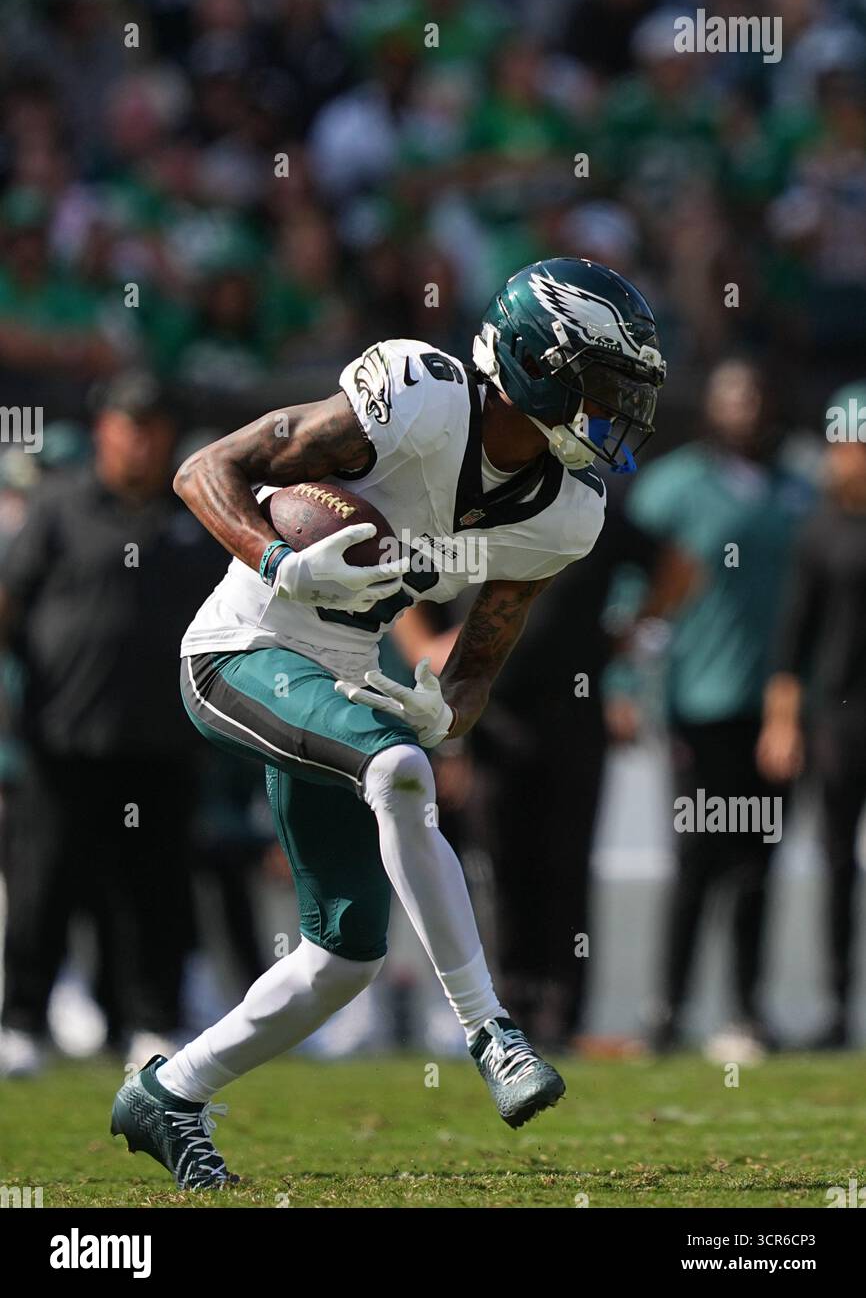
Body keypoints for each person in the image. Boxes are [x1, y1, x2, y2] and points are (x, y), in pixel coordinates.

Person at [111, 256, 667, 1190]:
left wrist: (445, 709)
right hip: (239, 648)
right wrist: (277, 561)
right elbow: (207, 470)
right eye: (601, 386)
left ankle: (169, 1092)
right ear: (535, 364)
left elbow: (479, 661)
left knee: (342, 958)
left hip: (342, 676)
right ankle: (493, 1033)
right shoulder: (417, 396)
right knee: (398, 771)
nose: (615, 414)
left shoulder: (567, 513)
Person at [0, 373, 226, 1076]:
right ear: (104, 430)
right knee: (43, 887)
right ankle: (22, 1024)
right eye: (130, 424)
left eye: (153, 426)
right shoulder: (60, 507)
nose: (140, 439)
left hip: (162, 743)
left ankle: (150, 1025)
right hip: (62, 738)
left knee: (153, 894)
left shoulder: (193, 512)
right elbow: (9, 601)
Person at [610, 360, 814, 1057]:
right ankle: (666, 1012)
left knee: (758, 862)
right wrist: (620, 687)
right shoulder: (674, 488)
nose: (745, 409)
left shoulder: (799, 487)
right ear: (711, 409)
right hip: (699, 702)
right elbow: (626, 590)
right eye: (733, 397)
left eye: (755, 395)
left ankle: (748, 1012)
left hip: (779, 709)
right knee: (695, 857)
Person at [757, 383, 866, 1047]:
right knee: (835, 863)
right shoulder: (822, 530)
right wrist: (782, 720)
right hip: (838, 718)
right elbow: (792, 639)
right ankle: (836, 1007)